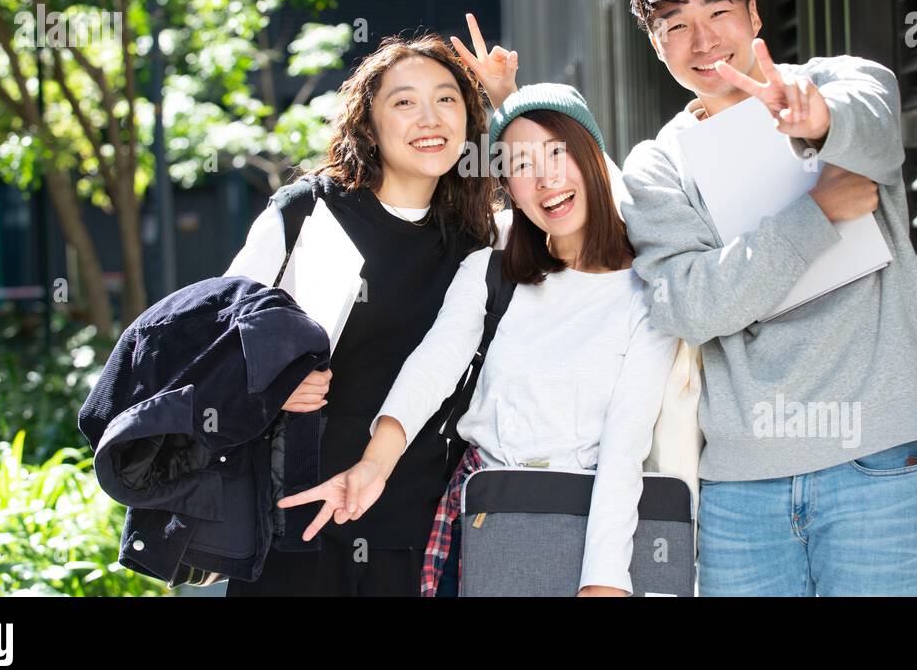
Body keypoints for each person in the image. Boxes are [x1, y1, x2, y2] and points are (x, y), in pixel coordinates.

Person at [618, 0, 917, 596]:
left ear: (754, 14)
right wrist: (818, 212)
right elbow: (690, 303)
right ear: (656, 45)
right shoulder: (658, 165)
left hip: (875, 460)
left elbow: (879, 130)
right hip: (741, 487)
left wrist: (817, 120)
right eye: (675, 24)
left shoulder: (843, 84)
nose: (703, 39)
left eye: (718, 12)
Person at [279, 84, 680, 596]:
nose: (545, 178)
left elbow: (626, 447)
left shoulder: (648, 289)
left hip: (594, 524)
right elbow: (432, 368)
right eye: (521, 165)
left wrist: (603, 584)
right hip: (488, 519)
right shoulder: (492, 272)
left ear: (592, 155)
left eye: (557, 152)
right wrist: (372, 466)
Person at [224, 32, 510, 596]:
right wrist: (269, 382)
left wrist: (508, 100)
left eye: (447, 99)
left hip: (407, 520)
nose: (429, 118)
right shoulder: (310, 211)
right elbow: (218, 331)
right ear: (368, 124)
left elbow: (581, 197)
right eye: (404, 102)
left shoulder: (476, 240)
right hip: (292, 512)